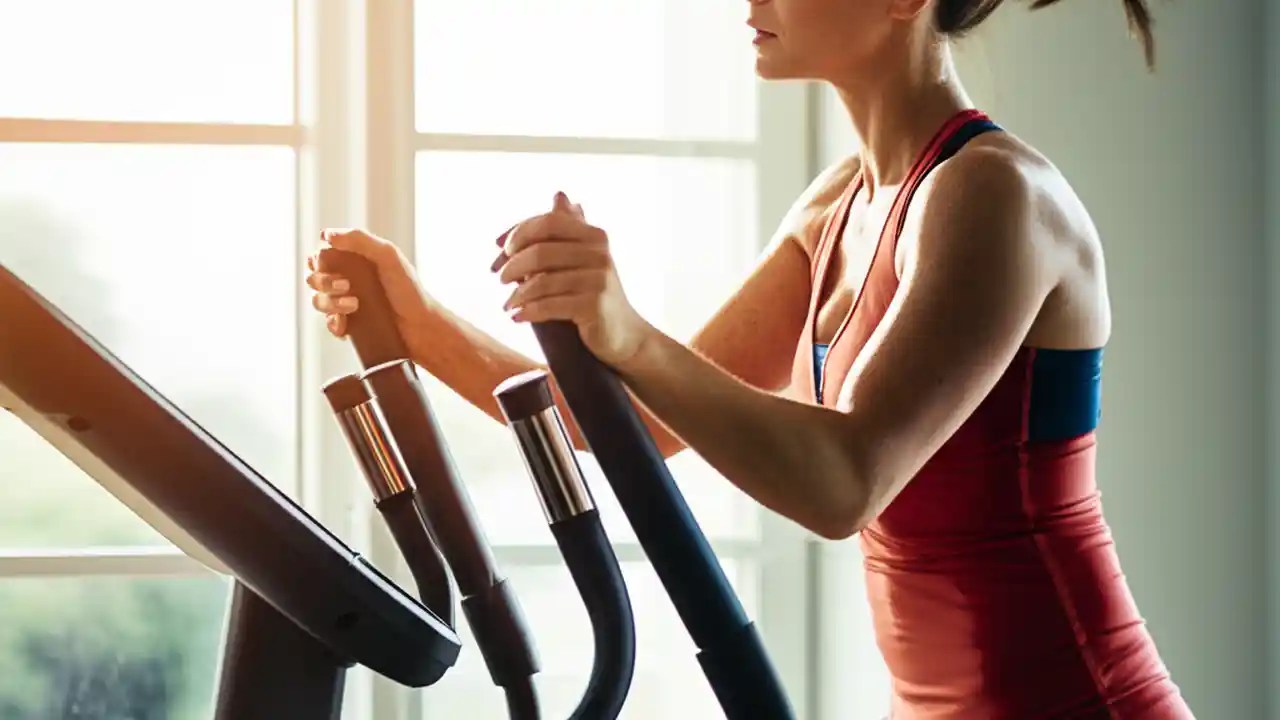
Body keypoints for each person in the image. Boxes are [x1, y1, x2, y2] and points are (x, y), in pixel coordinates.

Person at [307, 0, 1193, 716]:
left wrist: (628, 329)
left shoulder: (995, 193)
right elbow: (637, 421)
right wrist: (415, 320)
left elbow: (844, 482)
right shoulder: (838, 205)